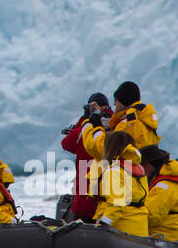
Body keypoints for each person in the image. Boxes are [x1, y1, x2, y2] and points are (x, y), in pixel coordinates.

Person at [88, 130, 149, 236]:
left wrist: (102, 225)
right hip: (140, 228)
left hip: (121, 230)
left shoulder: (114, 171)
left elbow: (116, 206)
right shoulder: (138, 169)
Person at [61, 92, 111, 221]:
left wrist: (85, 118)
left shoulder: (84, 129)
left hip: (85, 187)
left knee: (82, 224)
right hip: (108, 194)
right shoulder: (115, 127)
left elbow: (66, 143)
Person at [139, 145, 178, 241]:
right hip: (175, 236)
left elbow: (152, 217)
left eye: (142, 165)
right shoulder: (171, 179)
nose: (141, 169)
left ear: (150, 165)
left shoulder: (164, 186)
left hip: (164, 237)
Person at [108, 81, 160, 149]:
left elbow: (107, 149)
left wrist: (95, 130)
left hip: (132, 160)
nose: (114, 104)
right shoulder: (145, 118)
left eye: (115, 100)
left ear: (123, 101)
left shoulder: (129, 122)